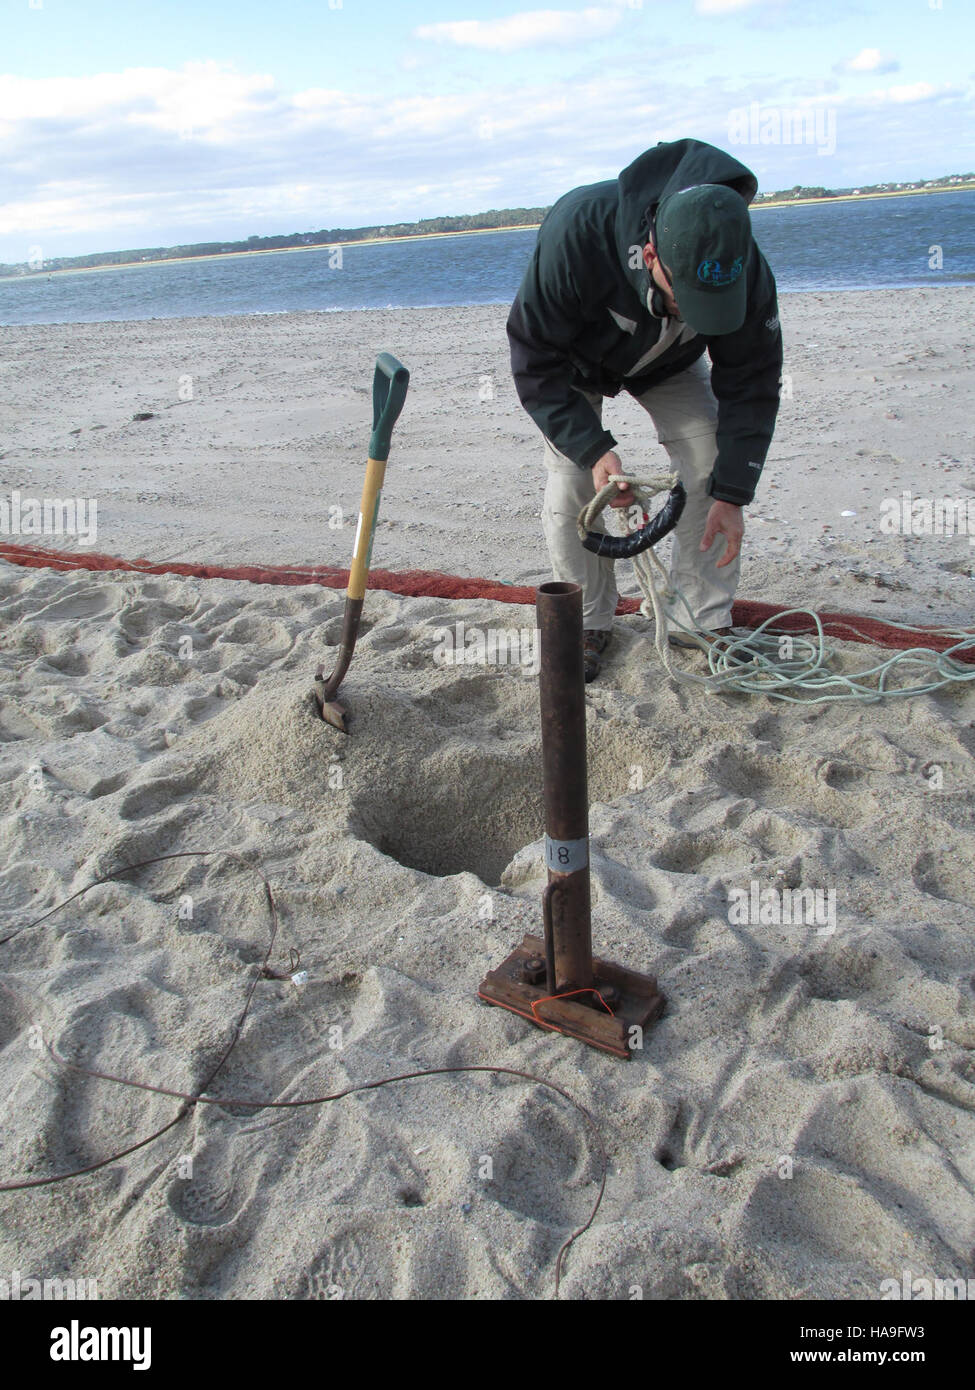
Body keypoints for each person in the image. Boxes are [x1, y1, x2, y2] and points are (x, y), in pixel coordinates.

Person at [507, 138, 783, 680]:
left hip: (668, 362)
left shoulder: (743, 264)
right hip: (575, 363)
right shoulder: (577, 231)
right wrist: (594, 449)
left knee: (707, 460)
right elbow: (535, 360)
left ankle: (697, 621)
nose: (695, 311)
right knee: (570, 483)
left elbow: (751, 382)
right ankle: (586, 621)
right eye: (687, 299)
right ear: (653, 256)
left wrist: (733, 493)